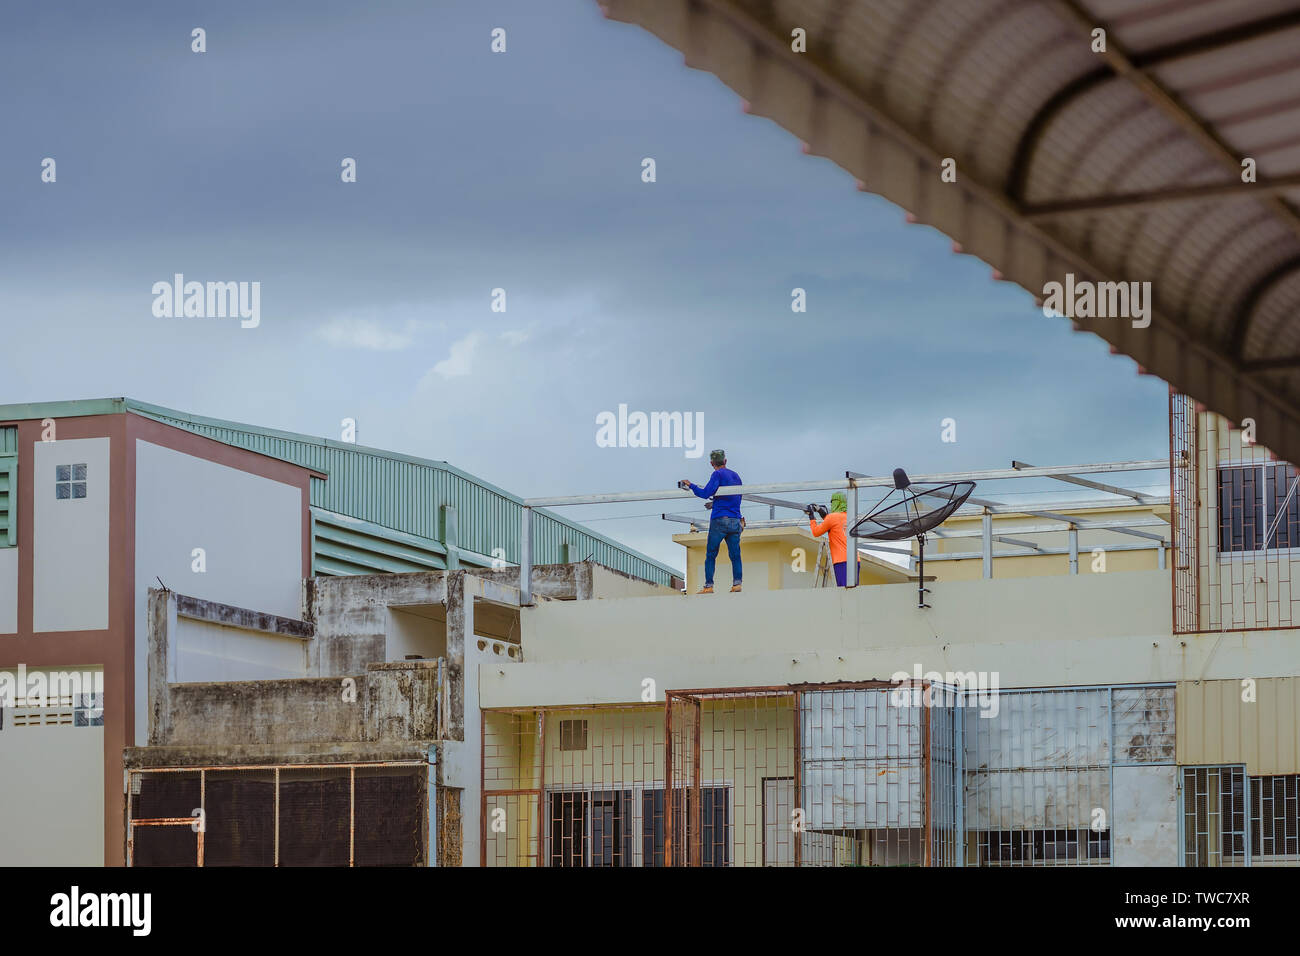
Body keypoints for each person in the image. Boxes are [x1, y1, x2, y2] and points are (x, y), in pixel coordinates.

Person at [681, 449, 743, 593]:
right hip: (735, 519)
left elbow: (705, 493)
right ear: (725, 461)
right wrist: (715, 502)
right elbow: (734, 498)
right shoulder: (736, 476)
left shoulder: (717, 474)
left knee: (711, 554)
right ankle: (737, 584)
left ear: (711, 463)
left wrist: (691, 485)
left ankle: (708, 586)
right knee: (735, 554)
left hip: (720, 519)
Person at [808, 492, 851, 587]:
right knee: (854, 590)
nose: (831, 505)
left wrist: (811, 516)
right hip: (855, 560)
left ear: (837, 503)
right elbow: (831, 522)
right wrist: (820, 511)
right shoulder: (850, 517)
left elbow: (816, 532)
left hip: (841, 561)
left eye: (832, 502)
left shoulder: (832, 518)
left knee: (843, 591)